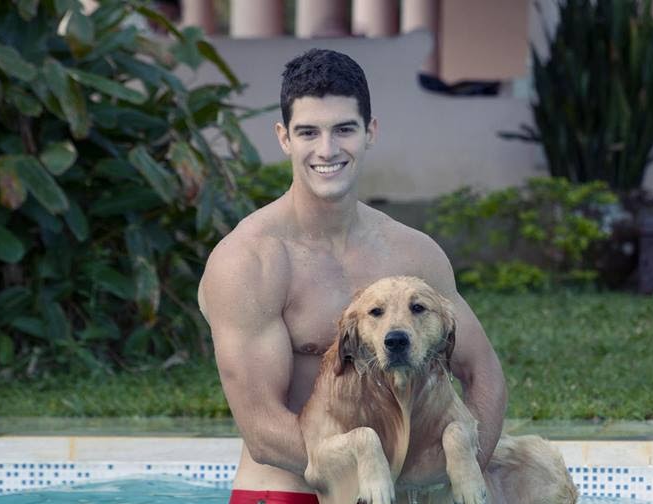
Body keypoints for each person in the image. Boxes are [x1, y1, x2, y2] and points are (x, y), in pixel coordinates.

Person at [198, 48, 507, 504]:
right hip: (290, 492)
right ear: (284, 138)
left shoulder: (414, 253)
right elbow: (262, 429)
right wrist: (376, 470)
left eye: (344, 129)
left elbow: (482, 372)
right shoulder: (250, 261)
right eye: (308, 132)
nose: (327, 150)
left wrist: (463, 464)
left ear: (370, 132)